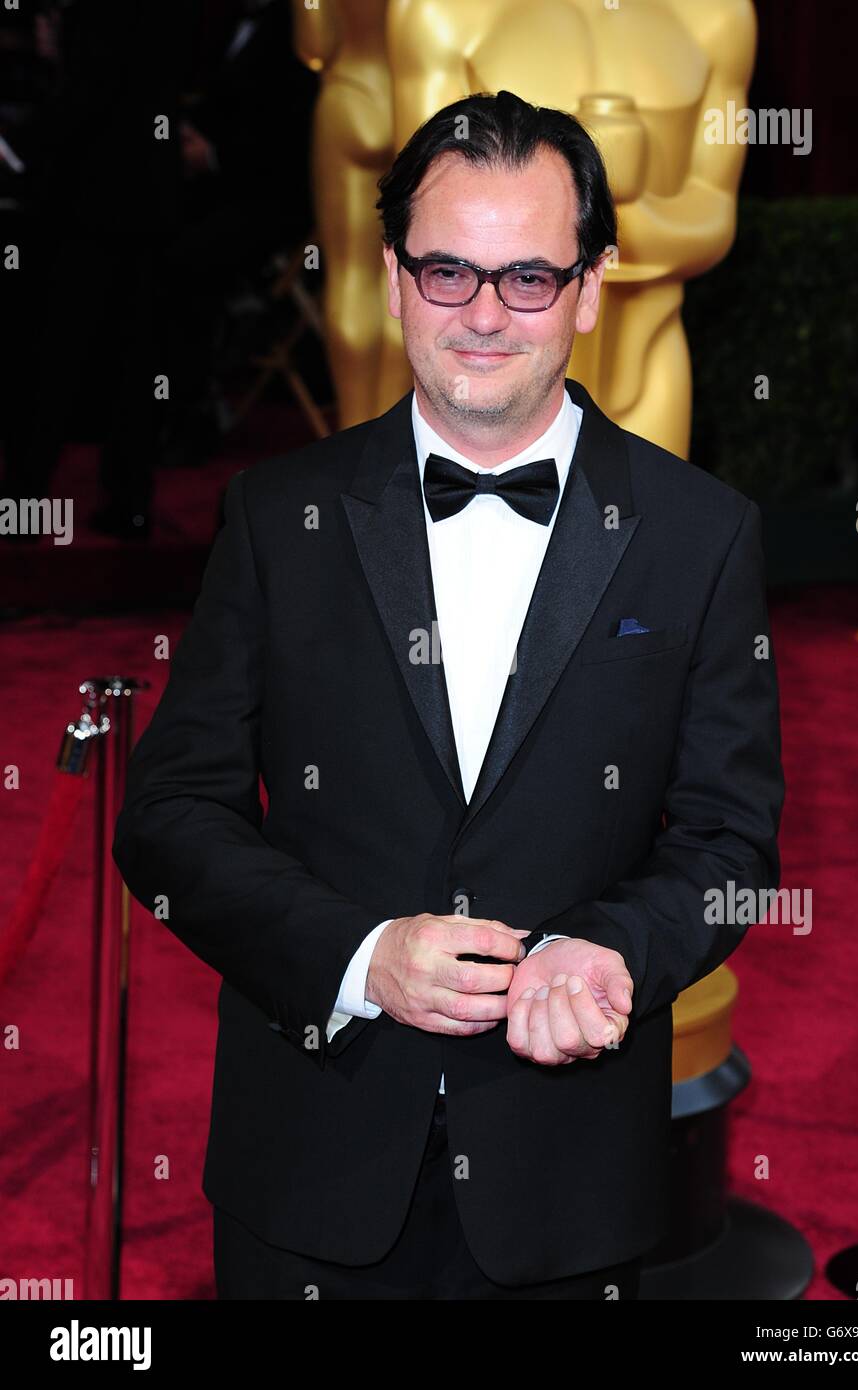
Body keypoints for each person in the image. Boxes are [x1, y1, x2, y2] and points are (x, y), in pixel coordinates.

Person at [112, 89, 785, 1300]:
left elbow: (730, 838)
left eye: (527, 276)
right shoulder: (278, 517)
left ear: (590, 286)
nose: (483, 315)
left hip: (568, 1190)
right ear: (391, 278)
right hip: (307, 1166)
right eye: (447, 273)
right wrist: (361, 955)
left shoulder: (700, 534)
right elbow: (169, 814)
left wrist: (613, 949)